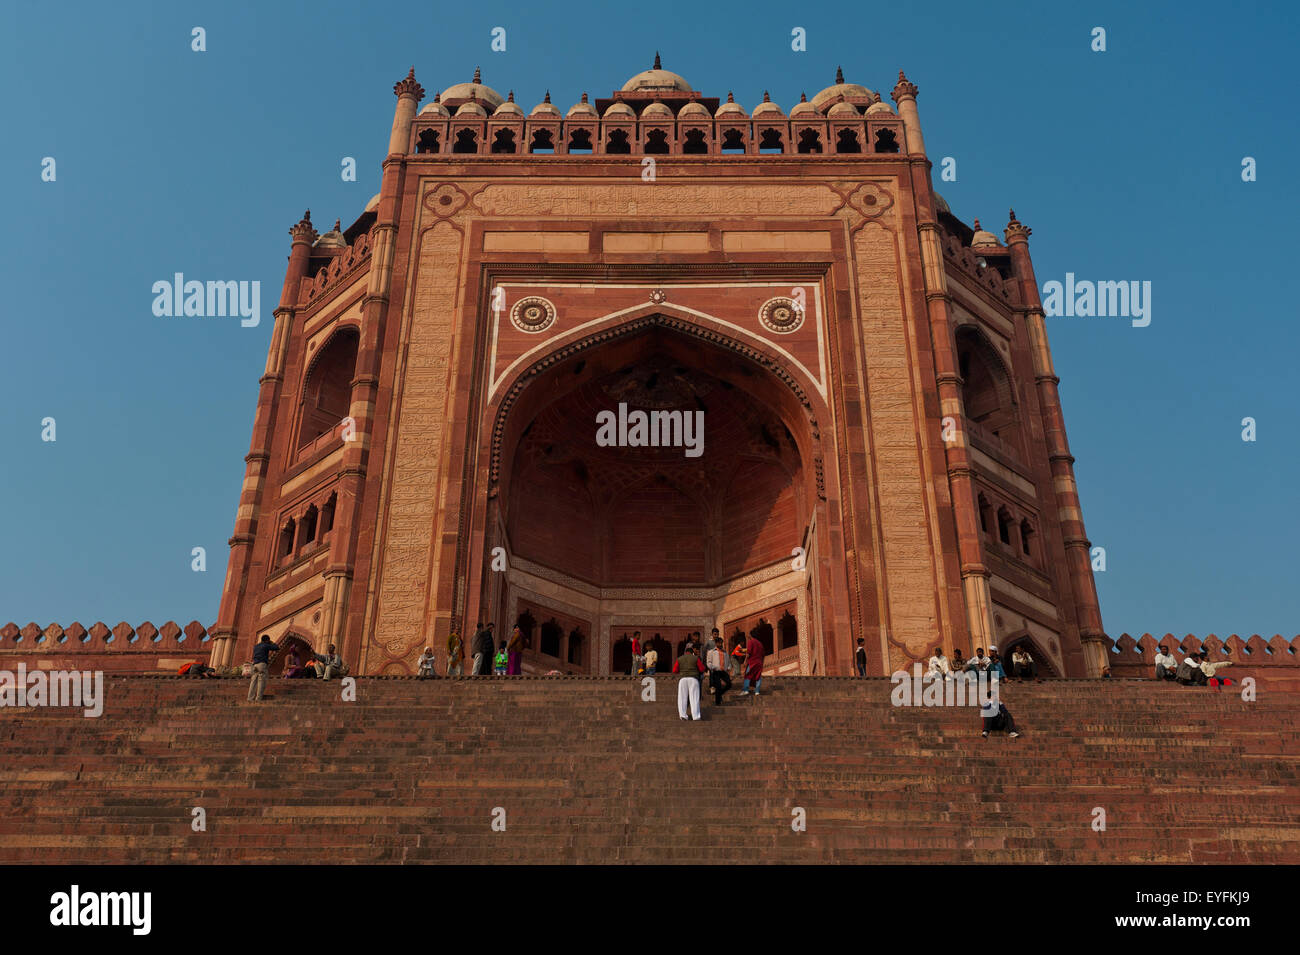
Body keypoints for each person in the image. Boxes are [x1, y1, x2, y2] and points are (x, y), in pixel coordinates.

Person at [673, 644, 705, 720]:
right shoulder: (696, 658)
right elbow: (702, 669)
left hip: (683, 679)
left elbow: (675, 670)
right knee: (694, 698)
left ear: (685, 652)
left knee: (682, 698)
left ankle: (683, 715)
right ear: (692, 652)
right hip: (693, 679)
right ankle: (696, 716)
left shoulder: (679, 659)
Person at [247, 634, 279, 702]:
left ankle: (250, 698)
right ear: (267, 640)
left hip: (255, 664)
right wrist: (272, 642)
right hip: (262, 664)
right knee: (261, 681)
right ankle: (258, 699)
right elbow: (276, 647)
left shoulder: (256, 646)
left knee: (253, 682)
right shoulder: (265, 645)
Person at [706, 635, 732, 705]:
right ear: (716, 643)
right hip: (716, 671)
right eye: (719, 643)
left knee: (729, 684)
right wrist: (712, 667)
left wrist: (729, 668)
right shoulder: (711, 652)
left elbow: (728, 662)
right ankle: (718, 703)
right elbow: (708, 662)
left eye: (721, 643)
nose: (720, 644)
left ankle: (719, 694)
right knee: (718, 686)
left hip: (723, 671)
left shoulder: (725, 652)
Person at [739, 632, 765, 697]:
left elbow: (748, 653)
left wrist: (745, 661)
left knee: (748, 675)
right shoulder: (760, 644)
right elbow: (763, 655)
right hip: (759, 663)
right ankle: (757, 691)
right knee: (758, 676)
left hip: (752, 662)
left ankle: (746, 690)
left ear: (750, 635)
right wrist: (762, 663)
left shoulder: (751, 641)